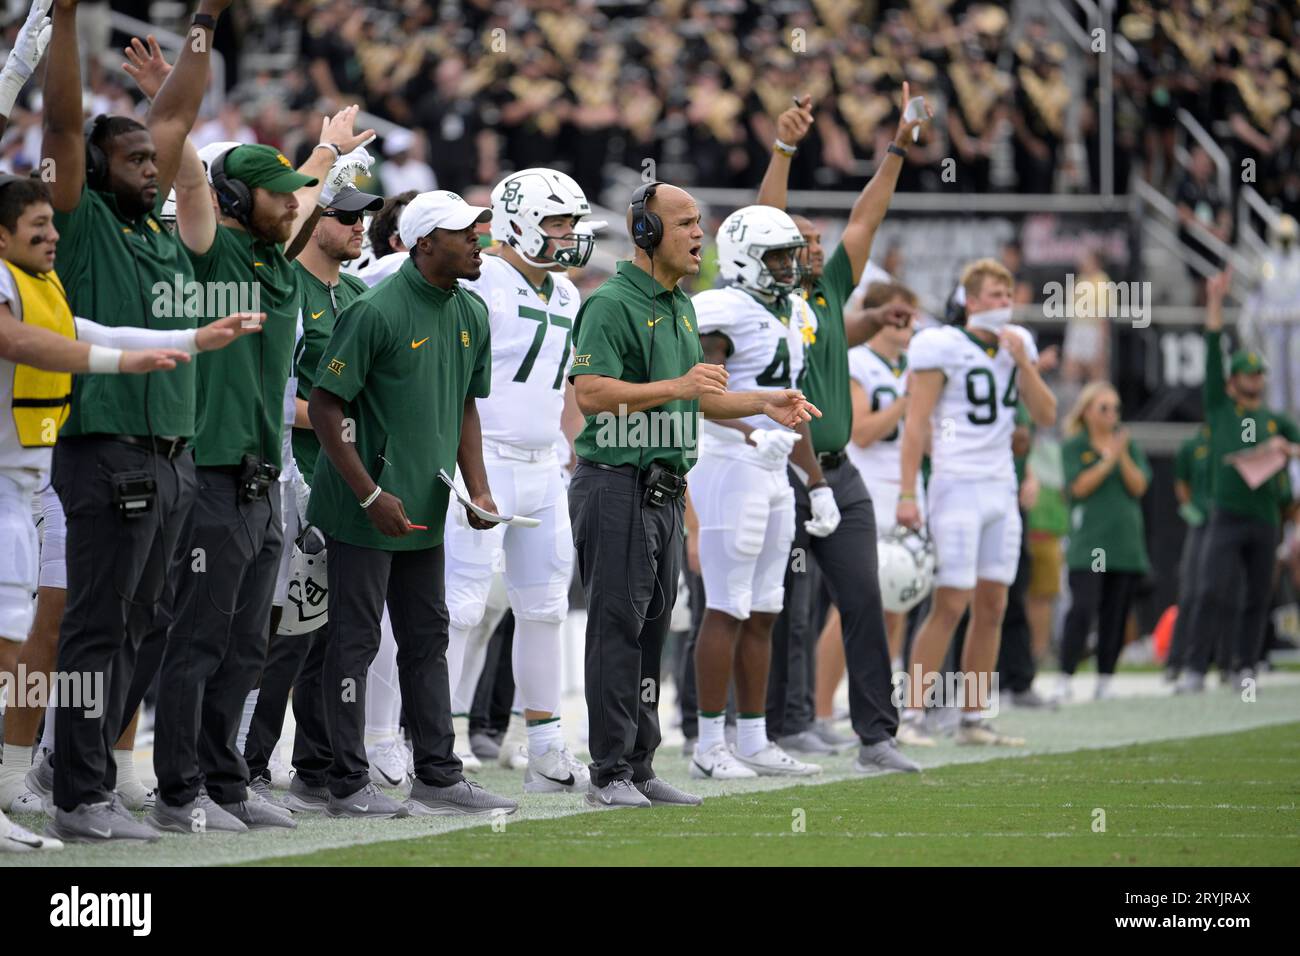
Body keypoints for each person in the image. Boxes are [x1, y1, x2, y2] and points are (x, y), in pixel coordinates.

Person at [0, 174, 256, 850]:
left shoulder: (44, 284)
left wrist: (194, 340)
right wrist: (120, 363)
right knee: (50, 631)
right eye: (37, 226)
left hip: (29, 477)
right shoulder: (13, 281)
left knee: (39, 634)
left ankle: (63, 779)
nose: (52, 234)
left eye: (52, 225)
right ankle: (37, 777)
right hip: (27, 477)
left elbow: (90, 326)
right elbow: (22, 343)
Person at [38, 0, 236, 843]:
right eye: (133, 160)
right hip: (104, 448)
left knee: (146, 625)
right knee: (96, 625)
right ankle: (78, 793)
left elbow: (180, 112)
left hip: (173, 455)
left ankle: (79, 770)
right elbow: (59, 121)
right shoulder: (79, 225)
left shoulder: (160, 234)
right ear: (95, 166)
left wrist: (205, 21)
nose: (152, 170)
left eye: (153, 160)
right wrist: (64, 18)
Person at [568, 180, 817, 809]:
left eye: (699, 223)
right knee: (615, 631)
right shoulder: (611, 303)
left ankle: (641, 763)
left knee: (654, 631)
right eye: (684, 224)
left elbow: (699, 393)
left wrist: (765, 401)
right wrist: (677, 386)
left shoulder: (682, 303)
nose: (698, 234)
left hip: (664, 488)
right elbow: (592, 393)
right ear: (646, 232)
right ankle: (608, 772)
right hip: (617, 480)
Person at [306, 189, 518, 818]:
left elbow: (464, 407)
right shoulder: (376, 310)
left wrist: (477, 487)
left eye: (479, 230)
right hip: (361, 509)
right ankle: (343, 782)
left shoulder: (470, 311)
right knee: (352, 644)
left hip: (424, 510)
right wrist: (369, 494)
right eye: (464, 233)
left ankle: (438, 774)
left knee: (426, 640)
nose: (478, 240)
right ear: (426, 242)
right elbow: (324, 406)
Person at [752, 88, 926, 773]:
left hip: (838, 467)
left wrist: (899, 147)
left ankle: (876, 736)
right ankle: (779, 724)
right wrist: (785, 149)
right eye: (805, 241)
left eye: (820, 240)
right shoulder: (769, 295)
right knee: (783, 605)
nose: (819, 247)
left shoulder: (825, 291)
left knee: (863, 595)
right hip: (780, 466)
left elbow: (867, 215)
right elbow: (764, 218)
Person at [442, 168, 593, 793]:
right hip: (483, 461)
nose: (569, 236)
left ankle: (547, 748)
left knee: (545, 609)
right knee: (459, 609)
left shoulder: (567, 294)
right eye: (558, 222)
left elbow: (562, 386)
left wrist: (569, 448)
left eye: (571, 224)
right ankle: (428, 743)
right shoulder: (481, 282)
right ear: (518, 222)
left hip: (542, 463)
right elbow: (454, 386)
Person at [240, 180, 383, 809]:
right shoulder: (283, 285)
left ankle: (316, 765)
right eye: (347, 216)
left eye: (365, 218)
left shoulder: (356, 292)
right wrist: (336, 421)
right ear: (312, 219)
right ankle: (247, 762)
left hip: (342, 480)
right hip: (287, 475)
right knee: (284, 631)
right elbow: (272, 389)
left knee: (332, 629)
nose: (360, 227)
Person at [688, 204, 829, 781]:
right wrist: (752, 436)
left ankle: (754, 737)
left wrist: (815, 482)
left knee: (767, 606)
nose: (790, 265)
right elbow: (699, 392)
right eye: (777, 255)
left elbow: (792, 402)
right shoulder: (722, 308)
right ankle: (707, 743)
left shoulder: (791, 310)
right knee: (726, 605)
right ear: (746, 259)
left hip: (771, 469)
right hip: (725, 465)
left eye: (791, 254)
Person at [898, 258, 1056, 744]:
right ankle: (911, 714)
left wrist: (1024, 362)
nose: (1002, 305)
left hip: (1001, 489)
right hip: (956, 484)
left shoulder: (1019, 345)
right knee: (950, 602)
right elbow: (917, 422)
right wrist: (909, 491)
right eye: (993, 296)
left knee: (994, 603)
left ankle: (973, 717)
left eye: (1007, 297)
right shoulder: (940, 344)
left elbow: (1046, 414)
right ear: (969, 301)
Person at [1178, 271, 1300, 692]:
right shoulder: (1220, 409)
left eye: (1260, 375)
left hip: (1265, 515)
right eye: (1249, 375)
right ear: (1233, 383)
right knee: (1211, 589)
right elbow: (1213, 351)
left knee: (1257, 597)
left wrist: (1286, 449)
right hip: (1226, 513)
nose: (1257, 381)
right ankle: (1196, 667)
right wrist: (1215, 302)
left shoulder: (1274, 420)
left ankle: (1244, 667)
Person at [1056, 382, 1151, 700]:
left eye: (1116, 408)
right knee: (1082, 608)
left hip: (1124, 542)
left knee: (1117, 612)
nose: (1112, 415)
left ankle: (1106, 677)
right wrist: (1107, 459)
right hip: (1090, 543)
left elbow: (1139, 486)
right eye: (1104, 408)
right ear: (1086, 411)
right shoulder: (1075, 445)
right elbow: (1079, 487)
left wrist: (1120, 455)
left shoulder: (1128, 445)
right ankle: (1065, 675)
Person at [1165, 424, 1212, 680]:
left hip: (1232, 521)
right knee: (1191, 591)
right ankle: (1177, 660)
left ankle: (1231, 662)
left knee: (1229, 593)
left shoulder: (1241, 436)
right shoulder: (1194, 445)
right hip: (1203, 524)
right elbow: (1181, 483)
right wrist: (1192, 510)